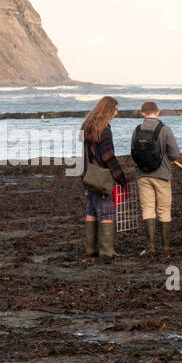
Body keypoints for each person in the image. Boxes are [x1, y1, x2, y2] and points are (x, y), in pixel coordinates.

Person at [79, 95, 129, 262]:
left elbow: (85, 154)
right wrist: (121, 177)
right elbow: (108, 156)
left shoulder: (87, 126)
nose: (117, 113)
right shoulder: (104, 129)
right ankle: (107, 251)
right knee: (107, 211)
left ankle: (91, 249)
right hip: (102, 177)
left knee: (92, 210)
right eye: (115, 110)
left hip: (88, 175)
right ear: (108, 110)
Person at [129, 102, 180, 254]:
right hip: (162, 174)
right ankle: (165, 246)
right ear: (157, 112)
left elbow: (133, 152)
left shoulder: (136, 130)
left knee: (148, 209)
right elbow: (175, 154)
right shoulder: (165, 130)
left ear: (142, 113)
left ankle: (150, 245)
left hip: (142, 175)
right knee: (164, 209)